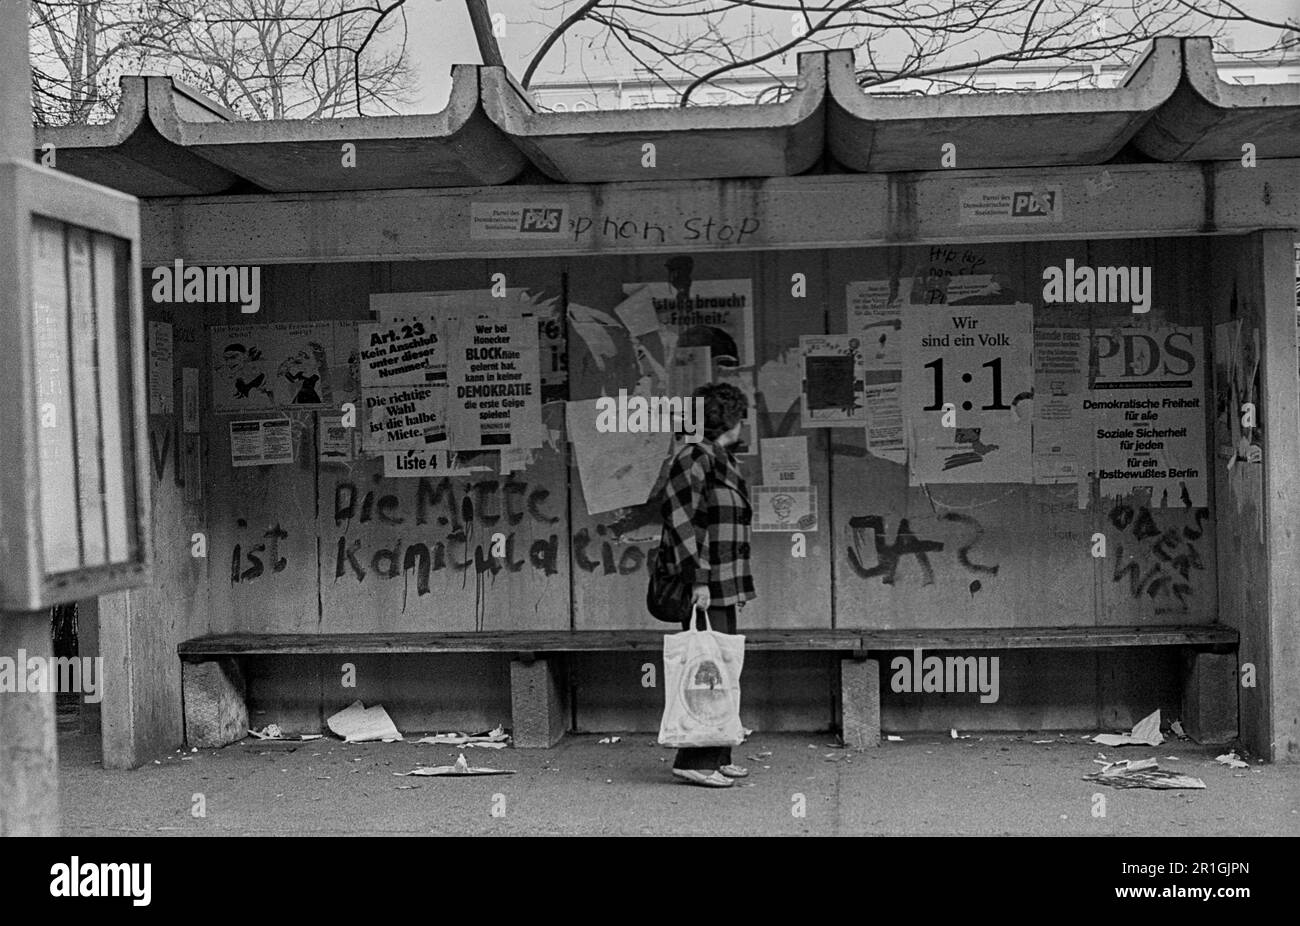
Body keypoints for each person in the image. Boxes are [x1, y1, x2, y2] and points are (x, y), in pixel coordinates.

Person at [657, 381, 756, 788]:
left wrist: (734, 588)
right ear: (729, 420)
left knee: (723, 664)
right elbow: (682, 522)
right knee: (706, 668)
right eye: (740, 416)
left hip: (723, 582)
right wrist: (697, 580)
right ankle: (694, 759)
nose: (744, 423)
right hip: (705, 581)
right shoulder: (694, 459)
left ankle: (719, 750)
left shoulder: (723, 460)